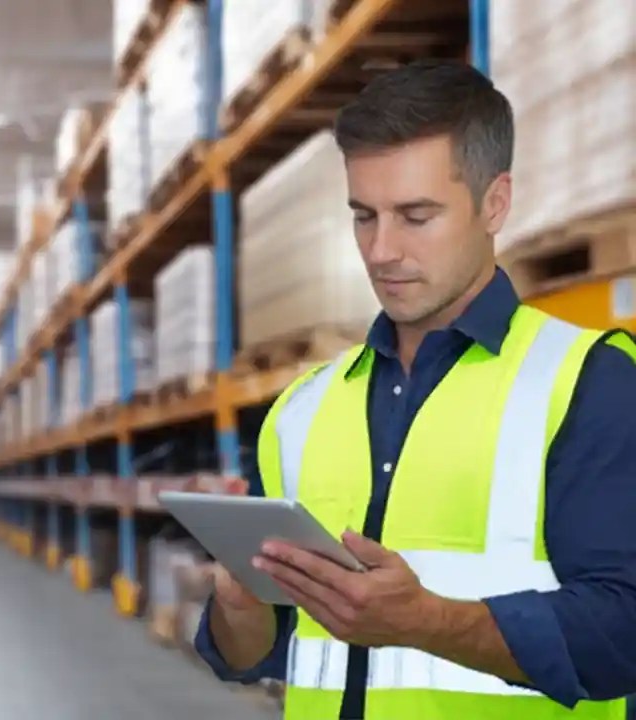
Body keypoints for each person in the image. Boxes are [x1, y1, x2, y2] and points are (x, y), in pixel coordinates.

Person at [195, 59, 636, 719]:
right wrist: (239, 611)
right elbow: (257, 651)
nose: (380, 250)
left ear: (496, 202)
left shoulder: (586, 383)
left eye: (416, 216)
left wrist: (427, 620)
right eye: (363, 216)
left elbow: (622, 632)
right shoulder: (302, 411)